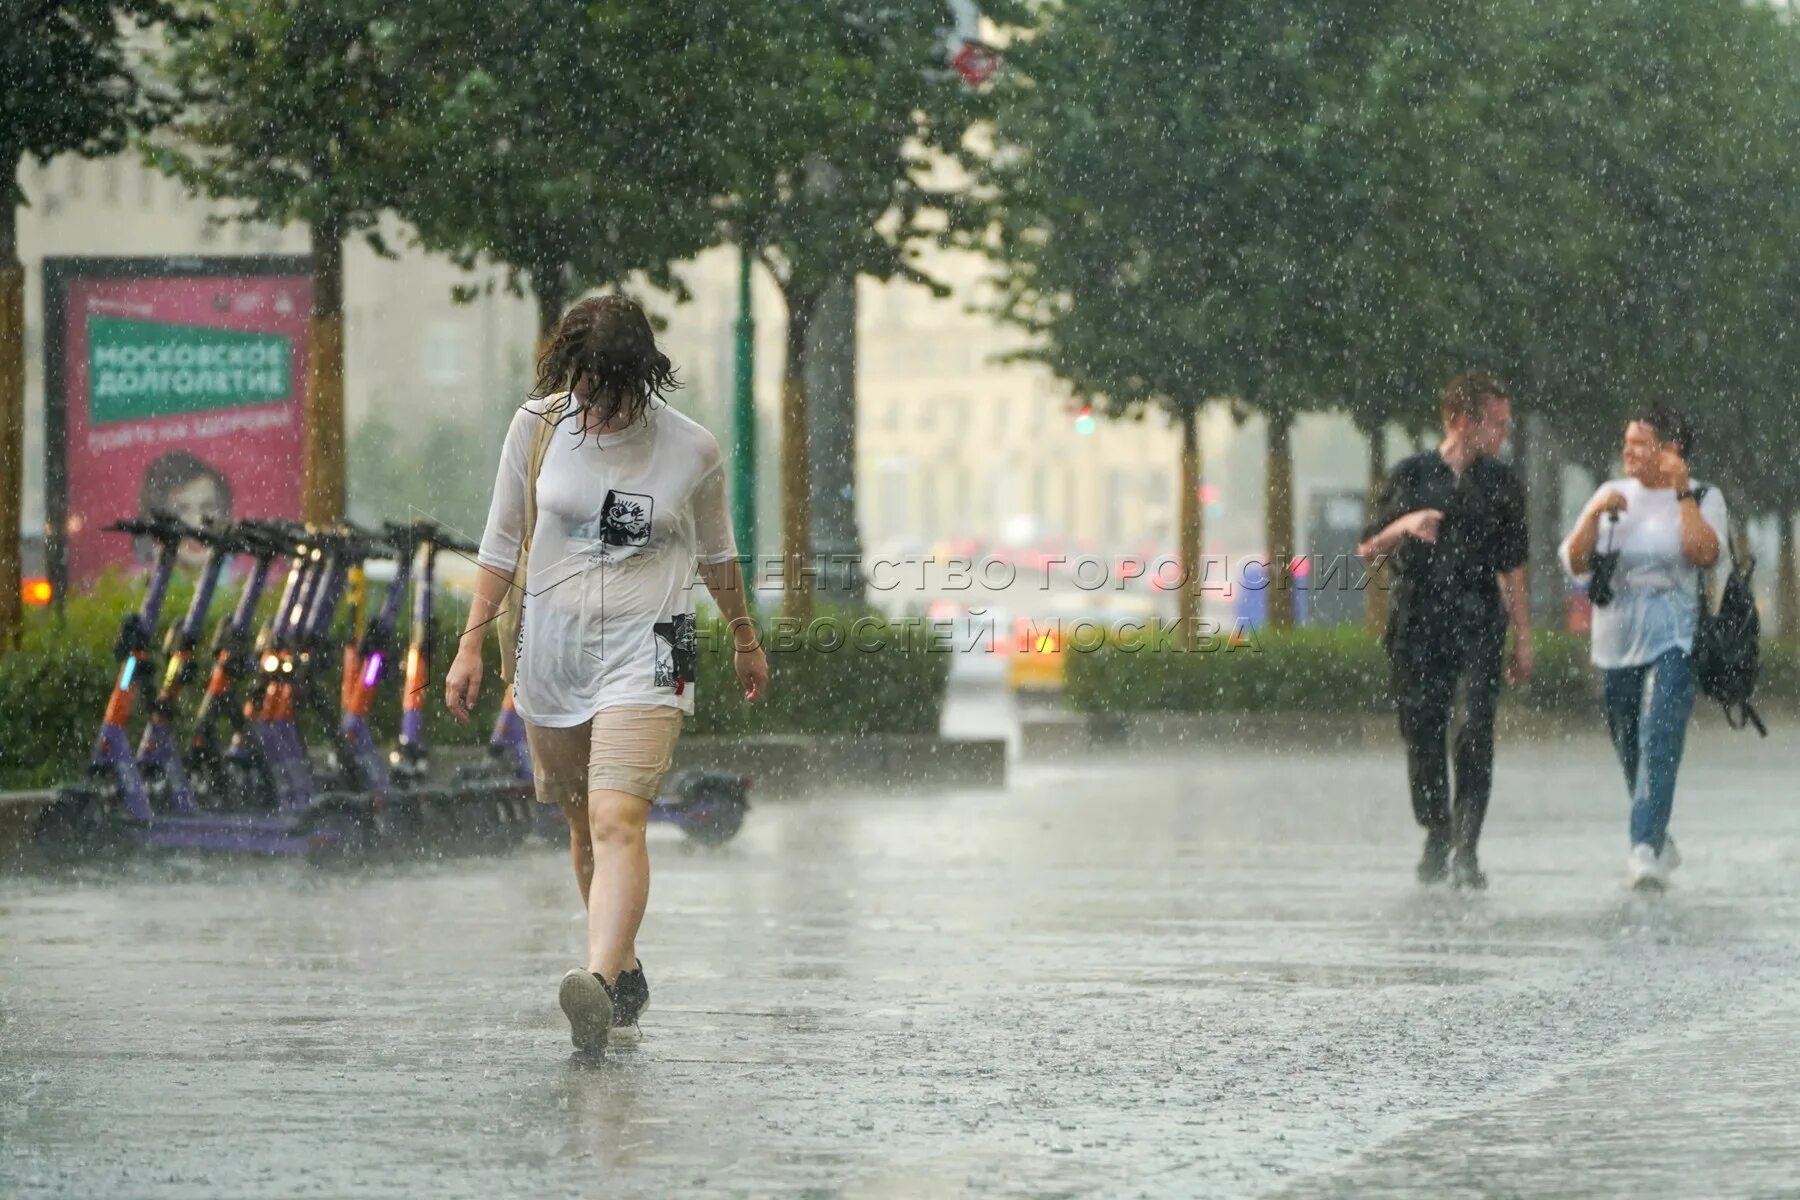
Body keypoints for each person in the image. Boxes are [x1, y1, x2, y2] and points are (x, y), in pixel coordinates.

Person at [444, 295, 769, 1053]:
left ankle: (592, 981)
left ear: (643, 377)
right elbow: (498, 543)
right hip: (552, 650)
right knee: (582, 825)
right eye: (584, 386)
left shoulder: (691, 449)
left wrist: (746, 640)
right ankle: (620, 973)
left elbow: (719, 557)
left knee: (618, 817)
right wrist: (468, 645)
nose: (597, 406)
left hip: (657, 645)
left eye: (612, 390)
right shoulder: (538, 427)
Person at [1358, 371, 1532, 890]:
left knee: (1476, 728)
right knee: (1424, 735)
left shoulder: (1502, 485)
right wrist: (1405, 525)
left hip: (1479, 623)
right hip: (1418, 627)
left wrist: (1523, 638)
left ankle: (1467, 848)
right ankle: (1437, 830)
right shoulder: (1411, 475)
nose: (1503, 433)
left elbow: (1514, 567)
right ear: (1463, 419)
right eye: (1496, 423)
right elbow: (1367, 547)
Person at [1558, 405, 1727, 891]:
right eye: (1626, 442)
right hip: (1615, 645)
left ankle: (1642, 849)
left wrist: (1681, 494)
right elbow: (1575, 562)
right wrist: (1593, 514)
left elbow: (1705, 554)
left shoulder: (1701, 496)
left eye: (1639, 443)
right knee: (1630, 749)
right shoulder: (1612, 495)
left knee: (1659, 739)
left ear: (1670, 450)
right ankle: (1656, 835)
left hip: (1674, 640)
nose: (1627, 451)